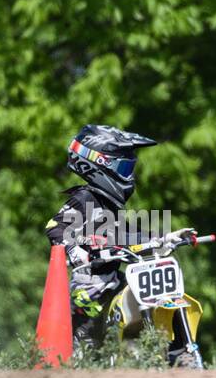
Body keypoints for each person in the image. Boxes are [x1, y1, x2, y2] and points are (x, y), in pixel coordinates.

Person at [44, 124, 158, 346]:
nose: (129, 176)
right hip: (89, 287)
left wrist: (163, 238)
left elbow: (123, 233)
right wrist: (74, 252)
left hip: (114, 281)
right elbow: (54, 227)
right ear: (101, 164)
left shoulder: (107, 205)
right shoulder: (86, 197)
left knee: (141, 300)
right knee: (85, 344)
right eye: (124, 169)